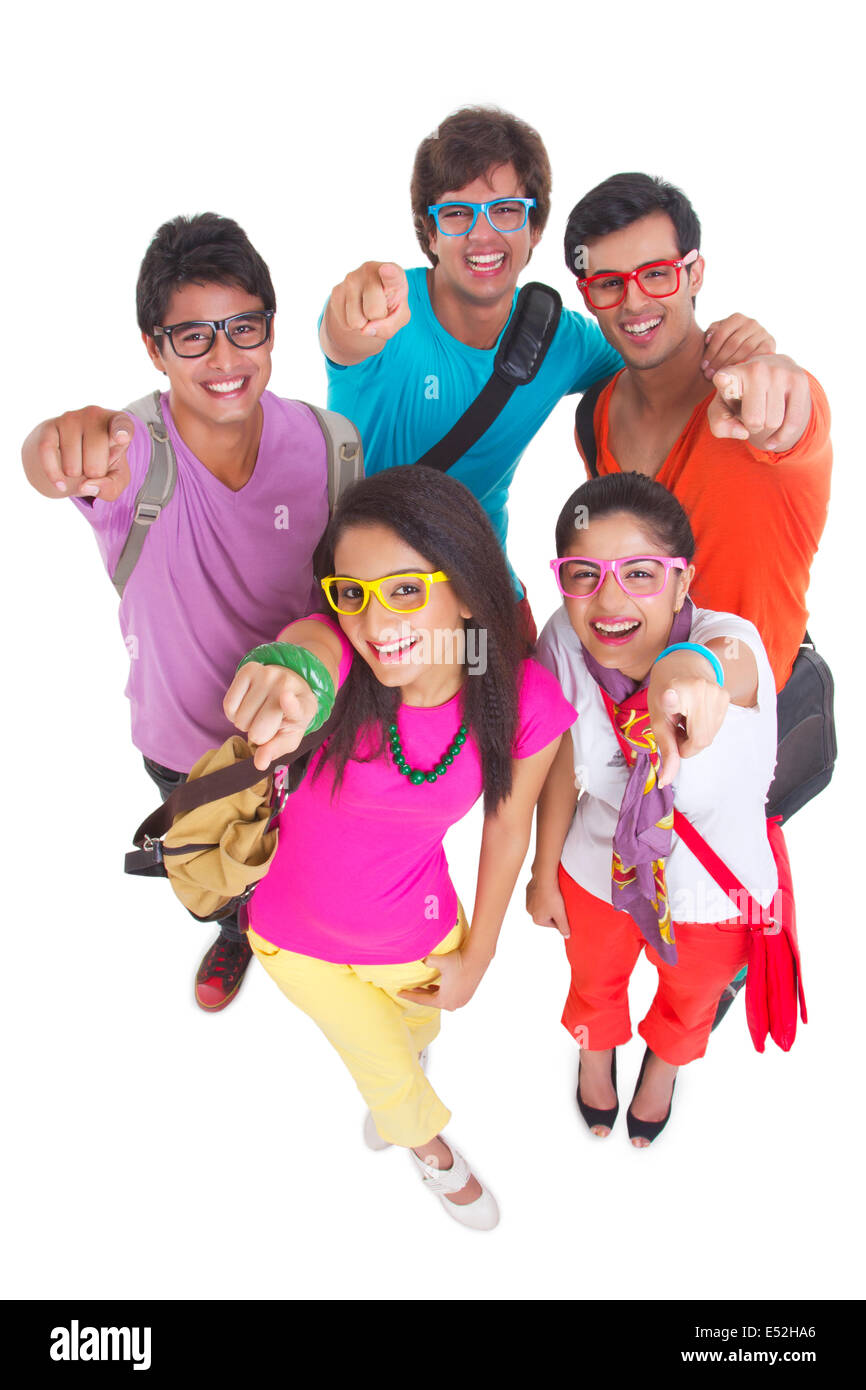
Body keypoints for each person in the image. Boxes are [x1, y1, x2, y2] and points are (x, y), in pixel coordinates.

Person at [224, 465, 576, 1227]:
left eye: (406, 589)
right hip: (292, 939)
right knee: (381, 1070)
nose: (376, 624)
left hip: (417, 936)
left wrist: (479, 955)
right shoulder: (344, 667)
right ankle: (432, 1151)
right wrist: (292, 670)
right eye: (352, 593)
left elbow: (508, 825)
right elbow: (308, 651)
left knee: (416, 1031)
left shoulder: (523, 699)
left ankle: (408, 1068)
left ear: (466, 587)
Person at [21, 212, 354, 1013]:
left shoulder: (330, 440)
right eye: (193, 336)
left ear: (273, 331)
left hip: (310, 729)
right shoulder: (128, 452)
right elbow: (53, 458)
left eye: (244, 328)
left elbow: (350, 586)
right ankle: (239, 931)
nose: (225, 358)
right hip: (184, 750)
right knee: (221, 874)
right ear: (153, 347)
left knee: (310, 859)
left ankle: (308, 945)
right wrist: (50, 442)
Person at [320, 106, 777, 634]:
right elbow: (344, 333)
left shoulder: (557, 336)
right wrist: (351, 309)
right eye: (457, 214)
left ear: (534, 228)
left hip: (481, 593)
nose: (483, 234)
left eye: (507, 210)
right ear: (429, 233)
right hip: (366, 592)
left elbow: (656, 351)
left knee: (533, 710)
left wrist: (741, 348)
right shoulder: (386, 311)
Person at [527, 472, 780, 1146]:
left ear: (683, 581)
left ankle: (663, 1066)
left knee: (692, 998)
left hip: (711, 895)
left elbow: (714, 666)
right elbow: (557, 765)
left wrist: (691, 681)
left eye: (640, 573)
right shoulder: (561, 640)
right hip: (595, 868)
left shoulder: (736, 644)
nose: (608, 600)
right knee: (593, 977)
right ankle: (595, 1049)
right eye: (583, 574)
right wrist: (541, 869)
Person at [564, 171, 832, 692]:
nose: (635, 302)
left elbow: (787, 416)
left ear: (695, 274)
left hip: (747, 735)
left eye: (657, 274)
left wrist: (771, 388)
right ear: (588, 293)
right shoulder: (594, 415)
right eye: (609, 283)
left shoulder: (757, 392)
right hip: (633, 724)